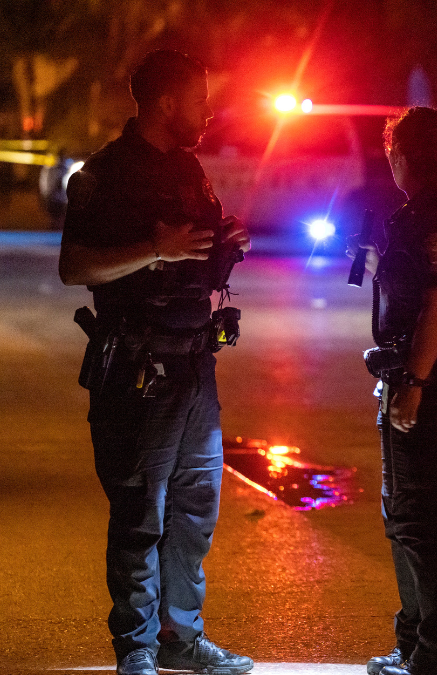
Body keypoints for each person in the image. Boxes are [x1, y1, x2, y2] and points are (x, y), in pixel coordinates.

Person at [57, 50, 253, 675]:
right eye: (199, 97)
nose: (208, 110)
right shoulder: (107, 174)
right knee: (141, 511)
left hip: (196, 366)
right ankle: (136, 648)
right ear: (167, 102)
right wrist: (154, 249)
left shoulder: (189, 170)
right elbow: (76, 267)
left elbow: (194, 256)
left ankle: (182, 638)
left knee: (196, 510)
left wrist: (224, 246)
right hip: (137, 371)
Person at [354, 107, 437, 675]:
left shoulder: (428, 214)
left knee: (418, 522)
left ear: (401, 156)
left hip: (436, 378)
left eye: (392, 155)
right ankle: (416, 645)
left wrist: (413, 384)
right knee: (406, 515)